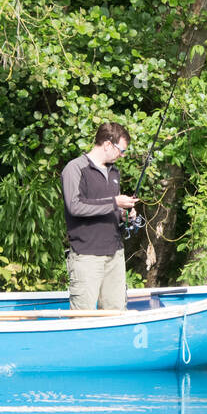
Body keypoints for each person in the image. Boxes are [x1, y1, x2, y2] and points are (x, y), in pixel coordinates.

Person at [60, 122, 139, 310]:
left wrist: (124, 214)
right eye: (121, 150)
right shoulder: (75, 169)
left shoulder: (114, 172)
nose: (122, 155)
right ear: (107, 145)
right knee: (82, 320)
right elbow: (75, 206)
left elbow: (109, 208)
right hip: (86, 256)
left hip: (115, 254)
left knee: (117, 314)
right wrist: (115, 202)